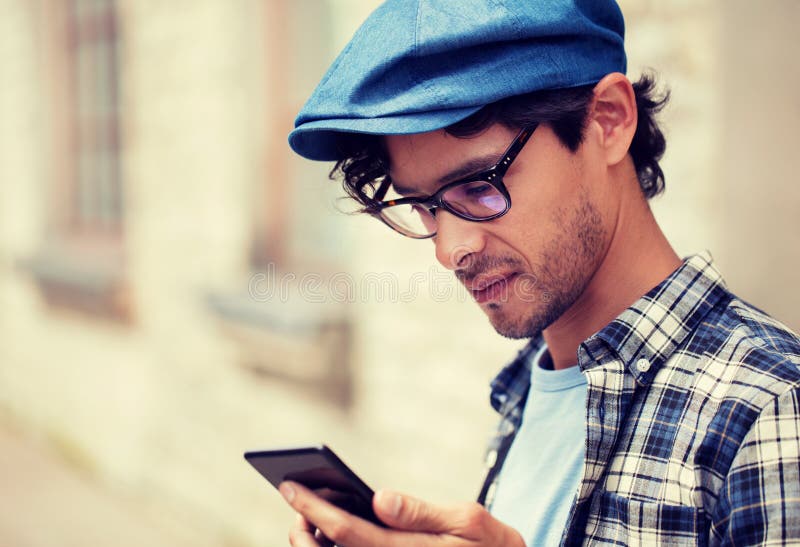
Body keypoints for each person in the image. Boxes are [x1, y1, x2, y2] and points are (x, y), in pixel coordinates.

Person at [277, 1, 800, 545]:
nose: (450, 251)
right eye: (424, 207)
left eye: (480, 186)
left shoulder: (769, 413)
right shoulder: (532, 383)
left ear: (608, 120)